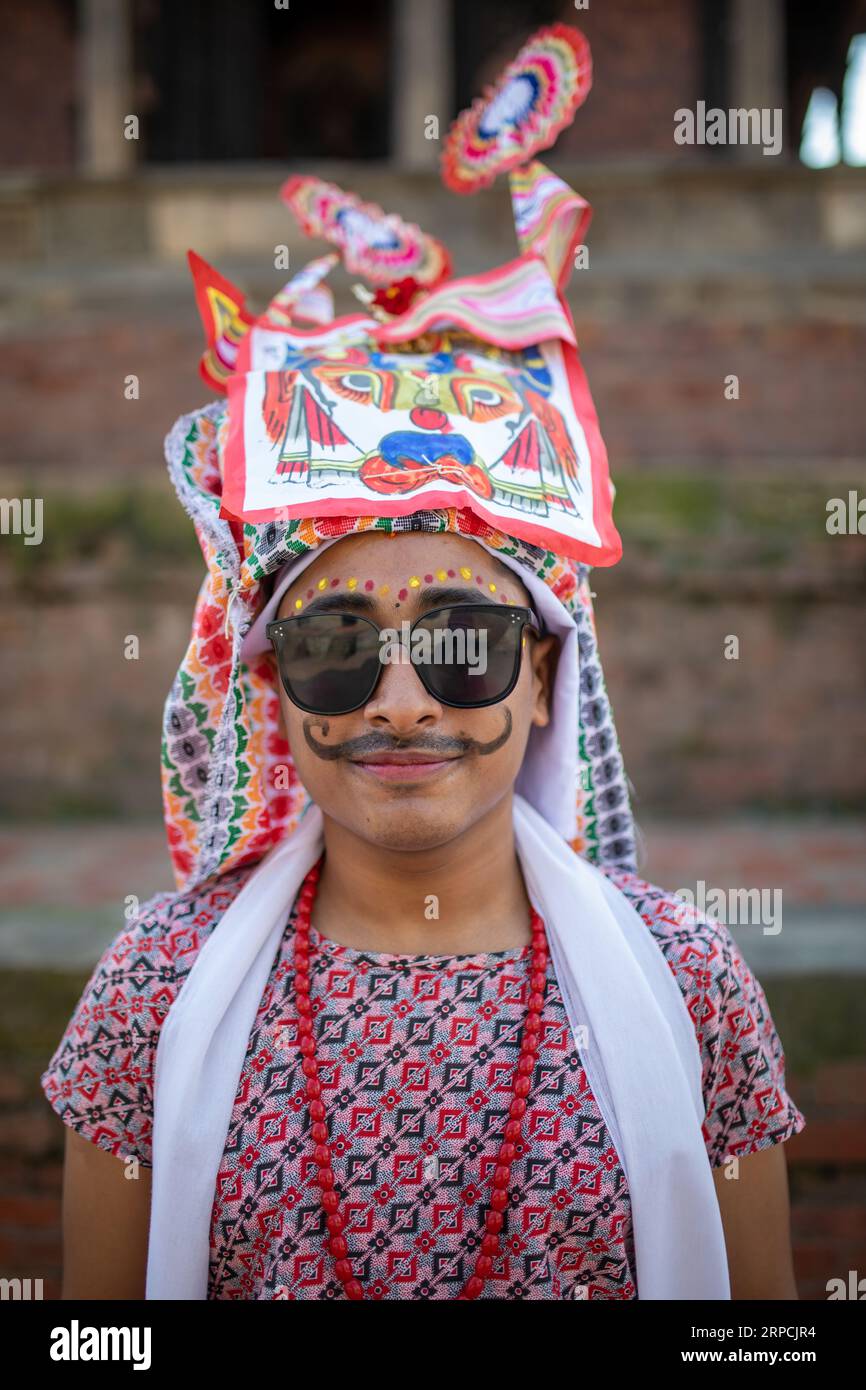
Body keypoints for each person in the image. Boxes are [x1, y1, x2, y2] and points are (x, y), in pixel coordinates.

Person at [40, 23, 805, 1301]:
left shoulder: (693, 982)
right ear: (270, 686)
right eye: (337, 648)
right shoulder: (151, 988)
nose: (400, 702)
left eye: (463, 644)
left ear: (547, 675)